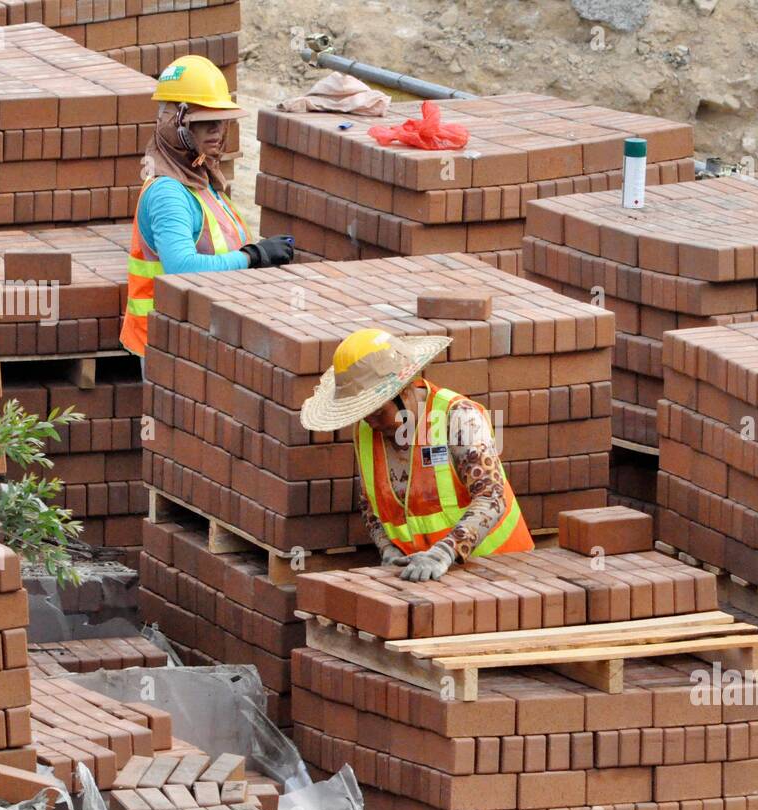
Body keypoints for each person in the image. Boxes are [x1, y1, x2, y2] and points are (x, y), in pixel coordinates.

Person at [300, 328, 533, 582]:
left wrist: (445, 551)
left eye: (378, 412)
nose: (372, 422)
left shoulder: (457, 418)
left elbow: (492, 497)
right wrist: (388, 549)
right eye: (363, 414)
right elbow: (370, 503)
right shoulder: (367, 430)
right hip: (429, 582)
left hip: (503, 572)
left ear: (405, 391)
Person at [121, 55, 295, 360]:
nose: (216, 131)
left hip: (198, 335)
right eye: (204, 123)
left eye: (221, 122)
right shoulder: (168, 193)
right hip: (167, 345)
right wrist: (253, 257)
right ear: (177, 125)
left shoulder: (201, 178)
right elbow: (182, 268)